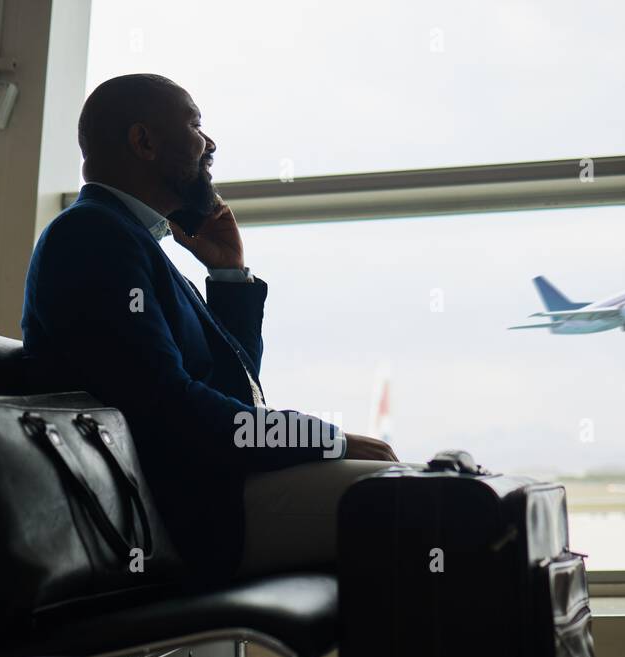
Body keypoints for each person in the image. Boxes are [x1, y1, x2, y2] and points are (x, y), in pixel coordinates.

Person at [22, 73, 398, 583]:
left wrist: (227, 273)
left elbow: (230, 391)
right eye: (196, 125)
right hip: (186, 516)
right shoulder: (92, 237)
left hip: (206, 498)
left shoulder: (127, 239)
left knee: (421, 493)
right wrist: (328, 439)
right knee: (411, 502)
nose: (210, 143)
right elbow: (171, 410)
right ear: (144, 142)